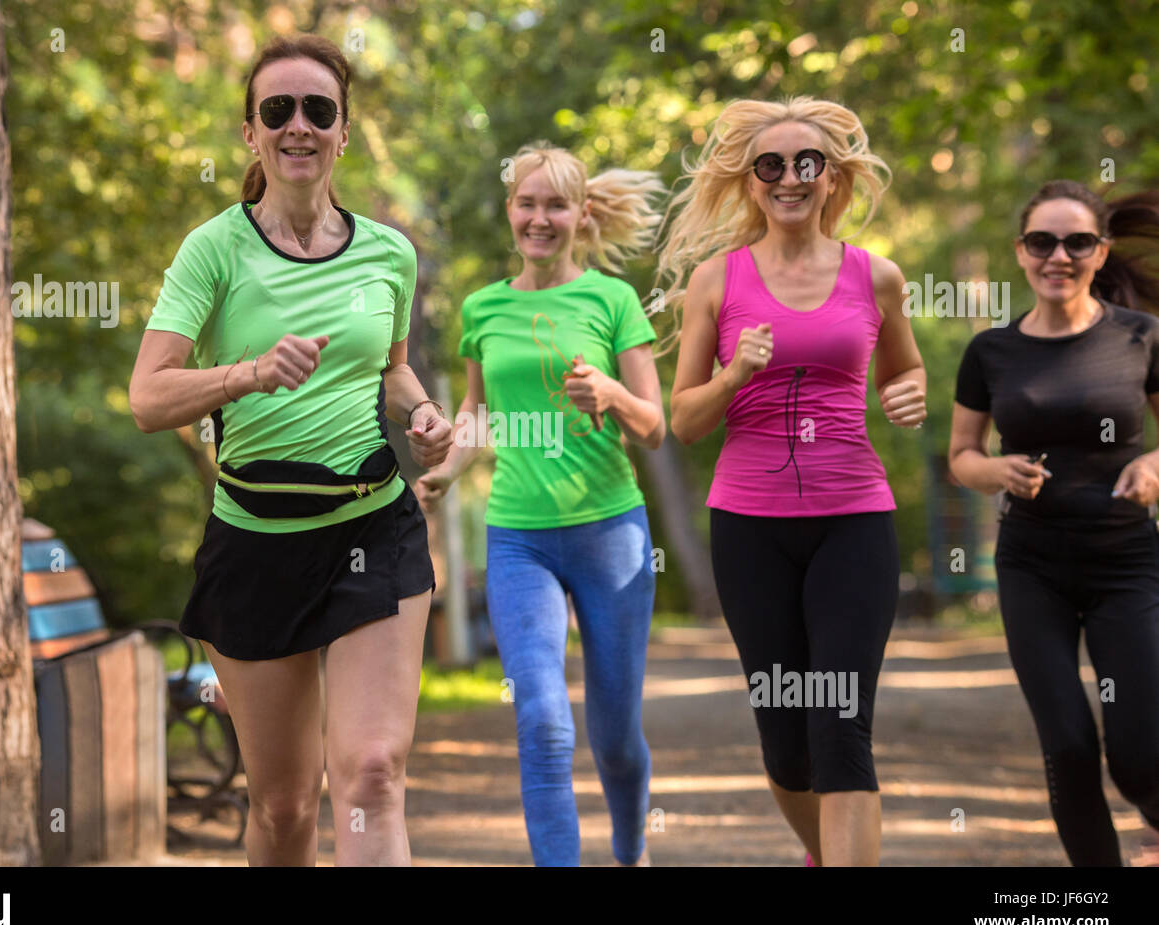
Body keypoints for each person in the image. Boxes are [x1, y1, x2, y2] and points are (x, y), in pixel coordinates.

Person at [127, 34, 452, 866]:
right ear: (251, 133)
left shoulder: (389, 252)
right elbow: (148, 396)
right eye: (278, 110)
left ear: (343, 132)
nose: (298, 126)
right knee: (282, 807)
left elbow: (395, 371)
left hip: (371, 527)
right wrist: (244, 374)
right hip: (256, 543)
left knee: (373, 774)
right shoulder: (215, 250)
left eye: (319, 110)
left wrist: (424, 418)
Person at [658, 97, 926, 866]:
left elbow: (904, 375)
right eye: (769, 165)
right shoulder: (716, 282)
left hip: (855, 520)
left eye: (805, 163)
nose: (788, 178)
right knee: (787, 741)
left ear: (831, 176)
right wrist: (736, 372)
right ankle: (823, 855)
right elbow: (683, 420)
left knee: (840, 726)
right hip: (749, 528)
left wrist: (907, 396)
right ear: (749, 183)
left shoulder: (877, 277)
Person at [415, 142, 666, 866]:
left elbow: (654, 427)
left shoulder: (612, 300)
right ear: (510, 212)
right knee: (543, 722)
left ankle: (630, 852)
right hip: (519, 537)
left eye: (555, 204)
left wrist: (612, 394)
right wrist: (448, 471)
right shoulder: (483, 308)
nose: (539, 218)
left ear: (581, 215)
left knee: (615, 735)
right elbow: (475, 411)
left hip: (610, 532)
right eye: (527, 203)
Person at [949, 179, 1159, 867]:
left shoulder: (1141, 338)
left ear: (1100, 253)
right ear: (1021, 251)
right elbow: (961, 457)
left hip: (1126, 565)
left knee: (1139, 752)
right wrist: (997, 472)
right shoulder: (990, 351)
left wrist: (1154, 465)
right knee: (1067, 745)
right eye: (1042, 241)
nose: (1057, 256)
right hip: (1032, 568)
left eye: (1076, 242)